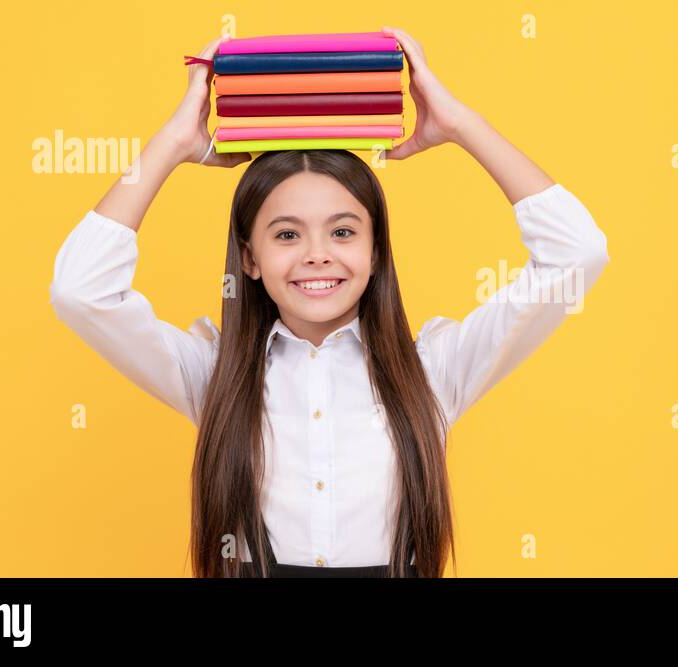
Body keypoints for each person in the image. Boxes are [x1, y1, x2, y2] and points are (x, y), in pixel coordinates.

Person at [49, 27, 610, 577]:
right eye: (287, 235)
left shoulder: (436, 368)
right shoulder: (213, 372)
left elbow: (575, 255)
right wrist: (171, 145)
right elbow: (81, 290)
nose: (317, 256)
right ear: (250, 258)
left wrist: (461, 125)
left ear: (375, 249)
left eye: (343, 232)